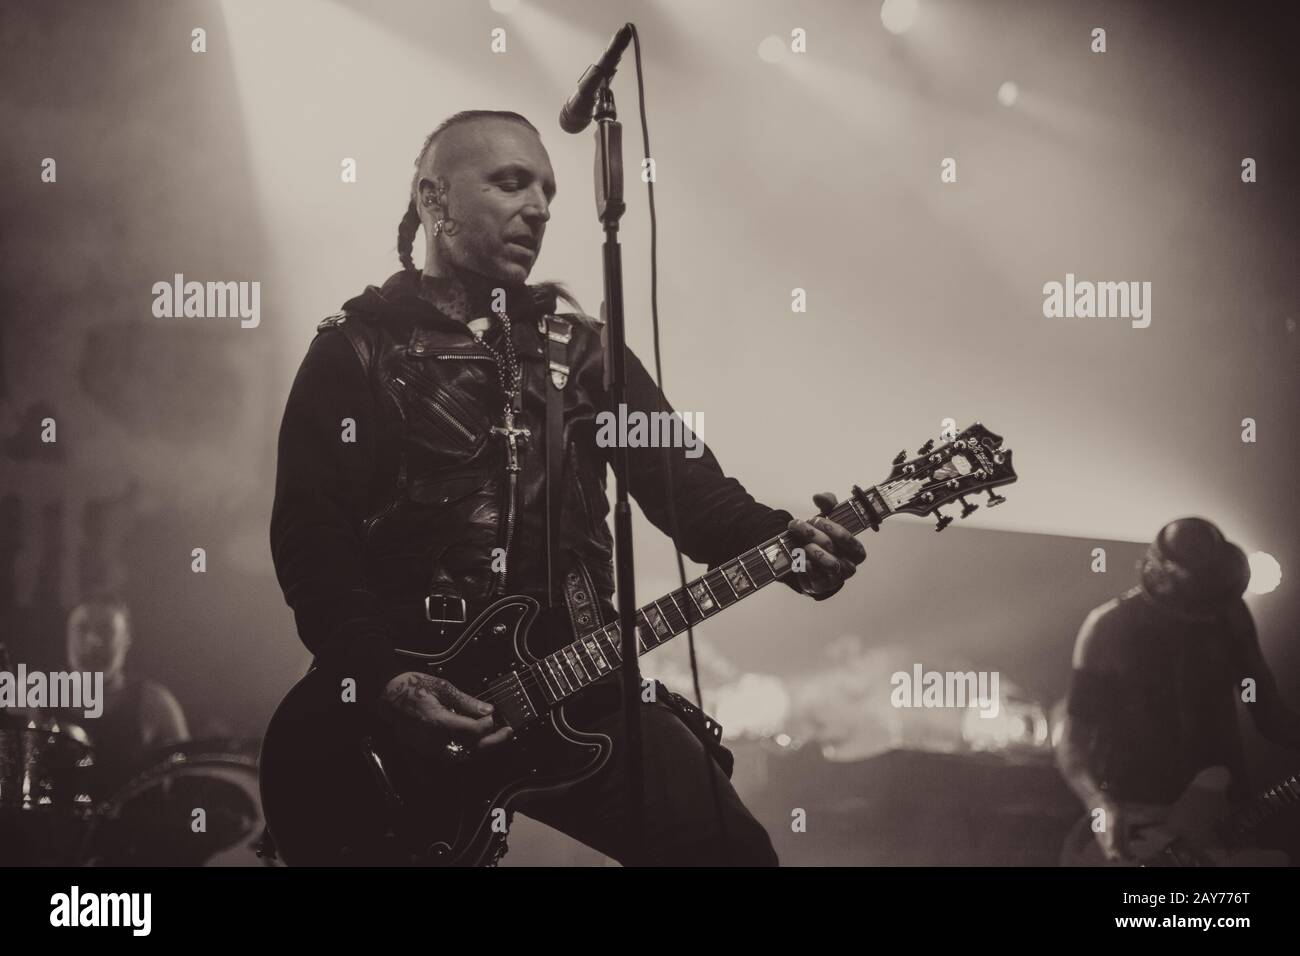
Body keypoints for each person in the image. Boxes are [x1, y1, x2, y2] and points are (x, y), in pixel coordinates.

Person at [269, 109, 866, 865]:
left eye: (549, 190)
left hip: (581, 681)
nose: (542, 207)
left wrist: (786, 543)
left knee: (726, 853)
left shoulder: (585, 354)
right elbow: (310, 542)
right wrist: (384, 679)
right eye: (511, 183)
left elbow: (693, 496)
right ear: (434, 199)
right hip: (402, 708)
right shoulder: (353, 351)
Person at [1056, 517, 1300, 863]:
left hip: (1222, 814)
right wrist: (1099, 805)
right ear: (1161, 580)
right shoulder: (1108, 627)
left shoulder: (1230, 615)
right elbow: (1073, 741)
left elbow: (1270, 714)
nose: (1202, 615)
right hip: (1140, 818)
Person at [63, 593, 189, 790]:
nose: (93, 641)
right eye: (82, 628)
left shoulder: (155, 703)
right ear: (67, 635)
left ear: (126, 639)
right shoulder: (33, 701)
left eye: (106, 630)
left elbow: (187, 782)